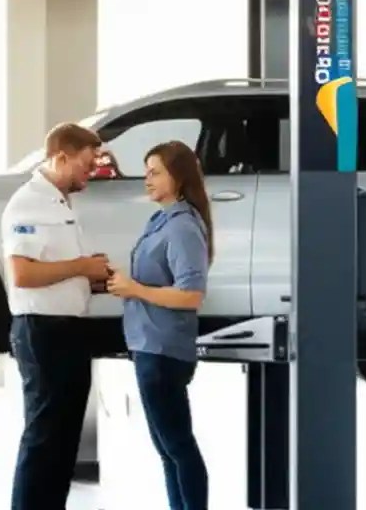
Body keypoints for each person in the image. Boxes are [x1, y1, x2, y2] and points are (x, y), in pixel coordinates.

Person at [3, 122, 112, 510]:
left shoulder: (60, 203)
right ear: (61, 157)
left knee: (64, 442)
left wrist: (91, 279)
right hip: (43, 331)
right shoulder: (28, 203)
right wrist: (82, 266)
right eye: (87, 162)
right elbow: (23, 274)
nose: (93, 170)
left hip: (68, 330)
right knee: (44, 438)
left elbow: (54, 269)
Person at [106, 140, 212, 510]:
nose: (147, 179)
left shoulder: (182, 227)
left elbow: (191, 294)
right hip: (148, 345)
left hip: (163, 350)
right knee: (169, 450)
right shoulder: (160, 221)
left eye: (155, 173)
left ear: (178, 177)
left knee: (178, 446)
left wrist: (134, 289)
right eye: (146, 172)